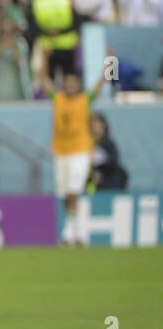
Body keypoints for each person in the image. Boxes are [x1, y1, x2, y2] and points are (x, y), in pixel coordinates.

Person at [36, 58, 108, 246]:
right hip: (60, 151)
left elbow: (103, 81)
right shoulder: (57, 98)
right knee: (64, 193)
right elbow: (42, 78)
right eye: (67, 83)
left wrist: (111, 61)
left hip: (80, 151)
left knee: (73, 190)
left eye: (73, 83)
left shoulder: (85, 100)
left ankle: (68, 233)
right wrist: (42, 55)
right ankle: (76, 233)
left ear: (78, 85)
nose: (69, 86)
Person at [89, 113, 129, 192]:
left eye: (99, 127)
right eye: (93, 127)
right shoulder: (85, 147)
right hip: (92, 188)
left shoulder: (109, 144)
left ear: (104, 128)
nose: (96, 130)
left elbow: (113, 162)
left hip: (110, 184)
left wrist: (100, 173)